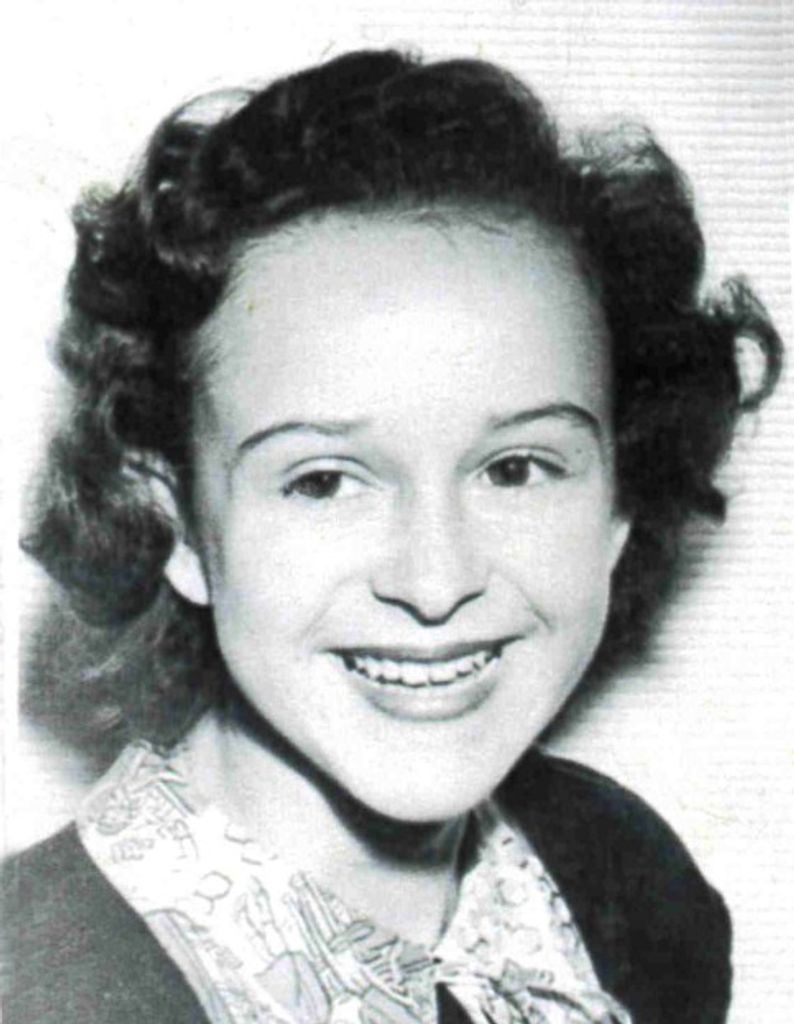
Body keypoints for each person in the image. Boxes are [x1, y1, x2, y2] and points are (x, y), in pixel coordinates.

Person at [1, 49, 783, 1024]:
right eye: (324, 480)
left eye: (514, 468)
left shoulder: (629, 879)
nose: (435, 580)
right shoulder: (37, 985)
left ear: (620, 499)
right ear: (176, 523)